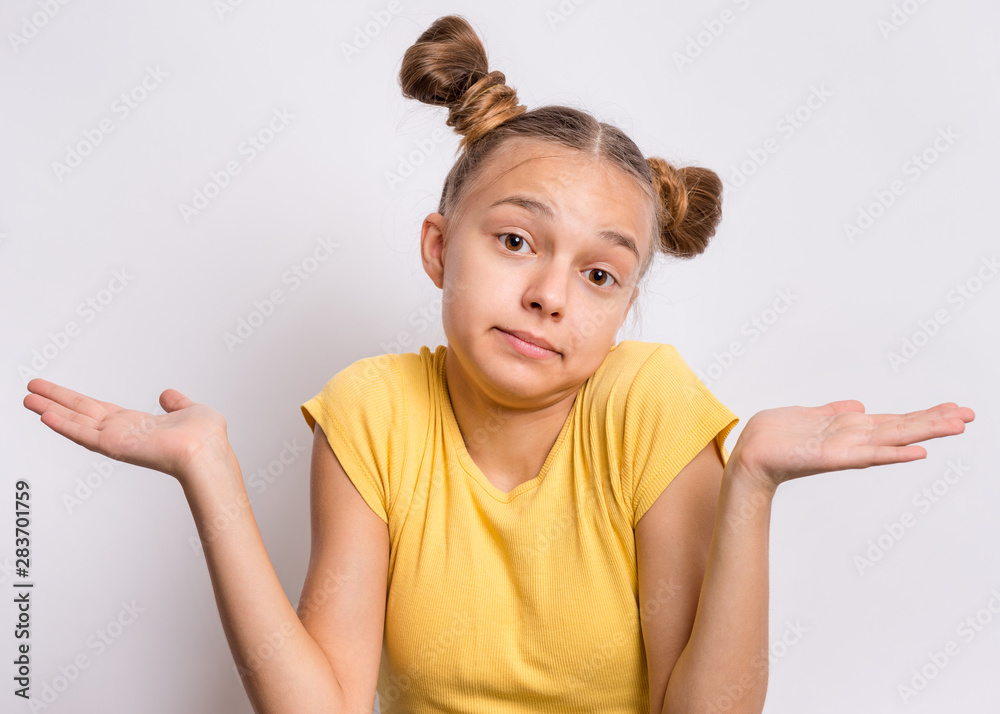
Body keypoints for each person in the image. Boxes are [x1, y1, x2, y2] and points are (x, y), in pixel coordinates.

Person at [22, 14, 975, 714]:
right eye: (518, 242)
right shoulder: (372, 410)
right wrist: (210, 474)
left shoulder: (650, 404)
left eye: (600, 273)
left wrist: (753, 484)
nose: (552, 294)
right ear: (441, 247)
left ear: (624, 304)